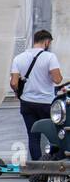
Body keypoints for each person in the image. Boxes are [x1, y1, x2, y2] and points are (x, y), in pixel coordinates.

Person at [10, 29, 64, 161]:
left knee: (33, 136)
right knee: (56, 135)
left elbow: (13, 82)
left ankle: (37, 169)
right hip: (46, 103)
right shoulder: (50, 57)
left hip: (27, 103)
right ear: (46, 42)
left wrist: (18, 92)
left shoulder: (19, 58)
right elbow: (57, 80)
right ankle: (55, 163)